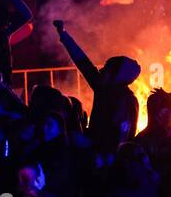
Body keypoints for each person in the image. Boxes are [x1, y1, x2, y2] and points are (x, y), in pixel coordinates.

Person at [52, 20, 140, 150]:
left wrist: (92, 147)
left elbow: (119, 138)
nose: (101, 70)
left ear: (116, 76)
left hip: (106, 160)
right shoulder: (103, 87)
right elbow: (83, 63)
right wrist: (64, 35)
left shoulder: (126, 102)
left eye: (106, 69)